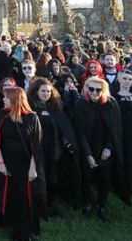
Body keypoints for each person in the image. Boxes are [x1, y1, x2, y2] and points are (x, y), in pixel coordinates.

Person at [75, 77, 131, 221]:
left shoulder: (111, 104)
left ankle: (101, 205)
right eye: (91, 89)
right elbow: (80, 133)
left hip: (106, 147)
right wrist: (88, 154)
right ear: (86, 89)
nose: (94, 92)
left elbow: (115, 129)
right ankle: (87, 203)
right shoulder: (81, 104)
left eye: (98, 89)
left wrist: (108, 148)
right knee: (86, 178)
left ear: (104, 90)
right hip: (88, 147)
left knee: (105, 178)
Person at [0, 86, 43, 241]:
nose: (3, 99)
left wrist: (33, 168)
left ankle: (23, 231)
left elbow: (37, 146)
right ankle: (10, 223)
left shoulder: (32, 118)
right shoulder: (1, 115)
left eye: (6, 97)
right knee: (9, 194)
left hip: (26, 166)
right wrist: (0, 163)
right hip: (7, 164)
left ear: (14, 99)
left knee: (24, 197)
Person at [27, 78, 79, 216]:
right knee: (38, 179)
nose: (46, 94)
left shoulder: (55, 108)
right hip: (36, 149)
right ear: (36, 92)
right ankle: (38, 208)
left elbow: (64, 128)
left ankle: (48, 205)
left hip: (53, 149)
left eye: (48, 91)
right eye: (43, 91)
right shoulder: (30, 108)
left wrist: (67, 142)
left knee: (53, 179)